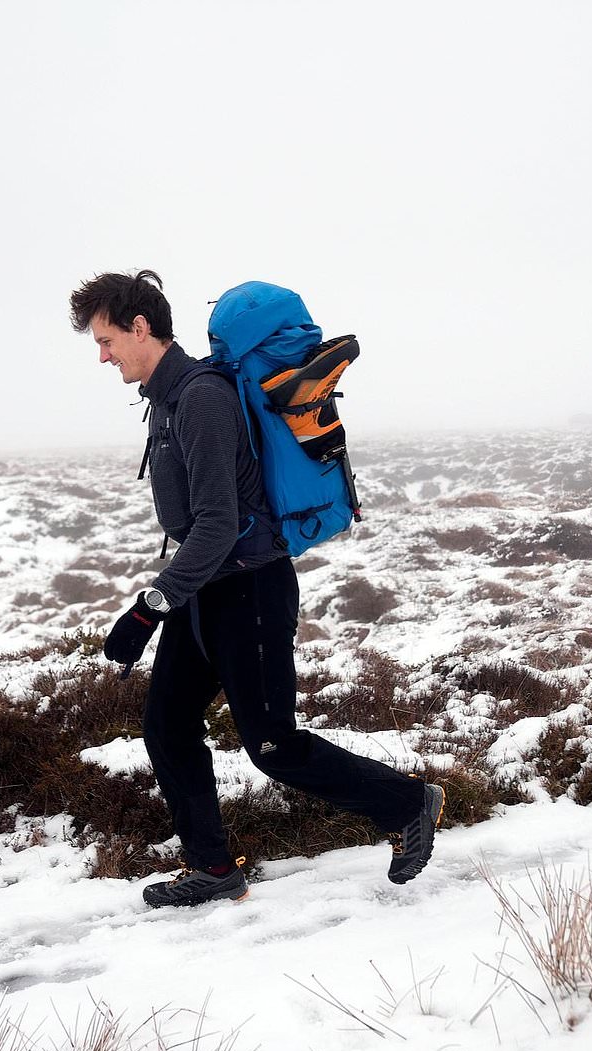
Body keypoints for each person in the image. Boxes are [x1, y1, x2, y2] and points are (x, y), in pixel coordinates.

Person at [69, 271, 443, 908]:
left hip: (250, 594)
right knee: (168, 728)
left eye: (106, 340)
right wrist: (172, 601)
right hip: (207, 594)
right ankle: (214, 870)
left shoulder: (202, 399)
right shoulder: (167, 398)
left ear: (140, 328)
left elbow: (219, 523)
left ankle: (408, 803)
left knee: (273, 746)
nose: (102, 356)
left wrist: (149, 607)